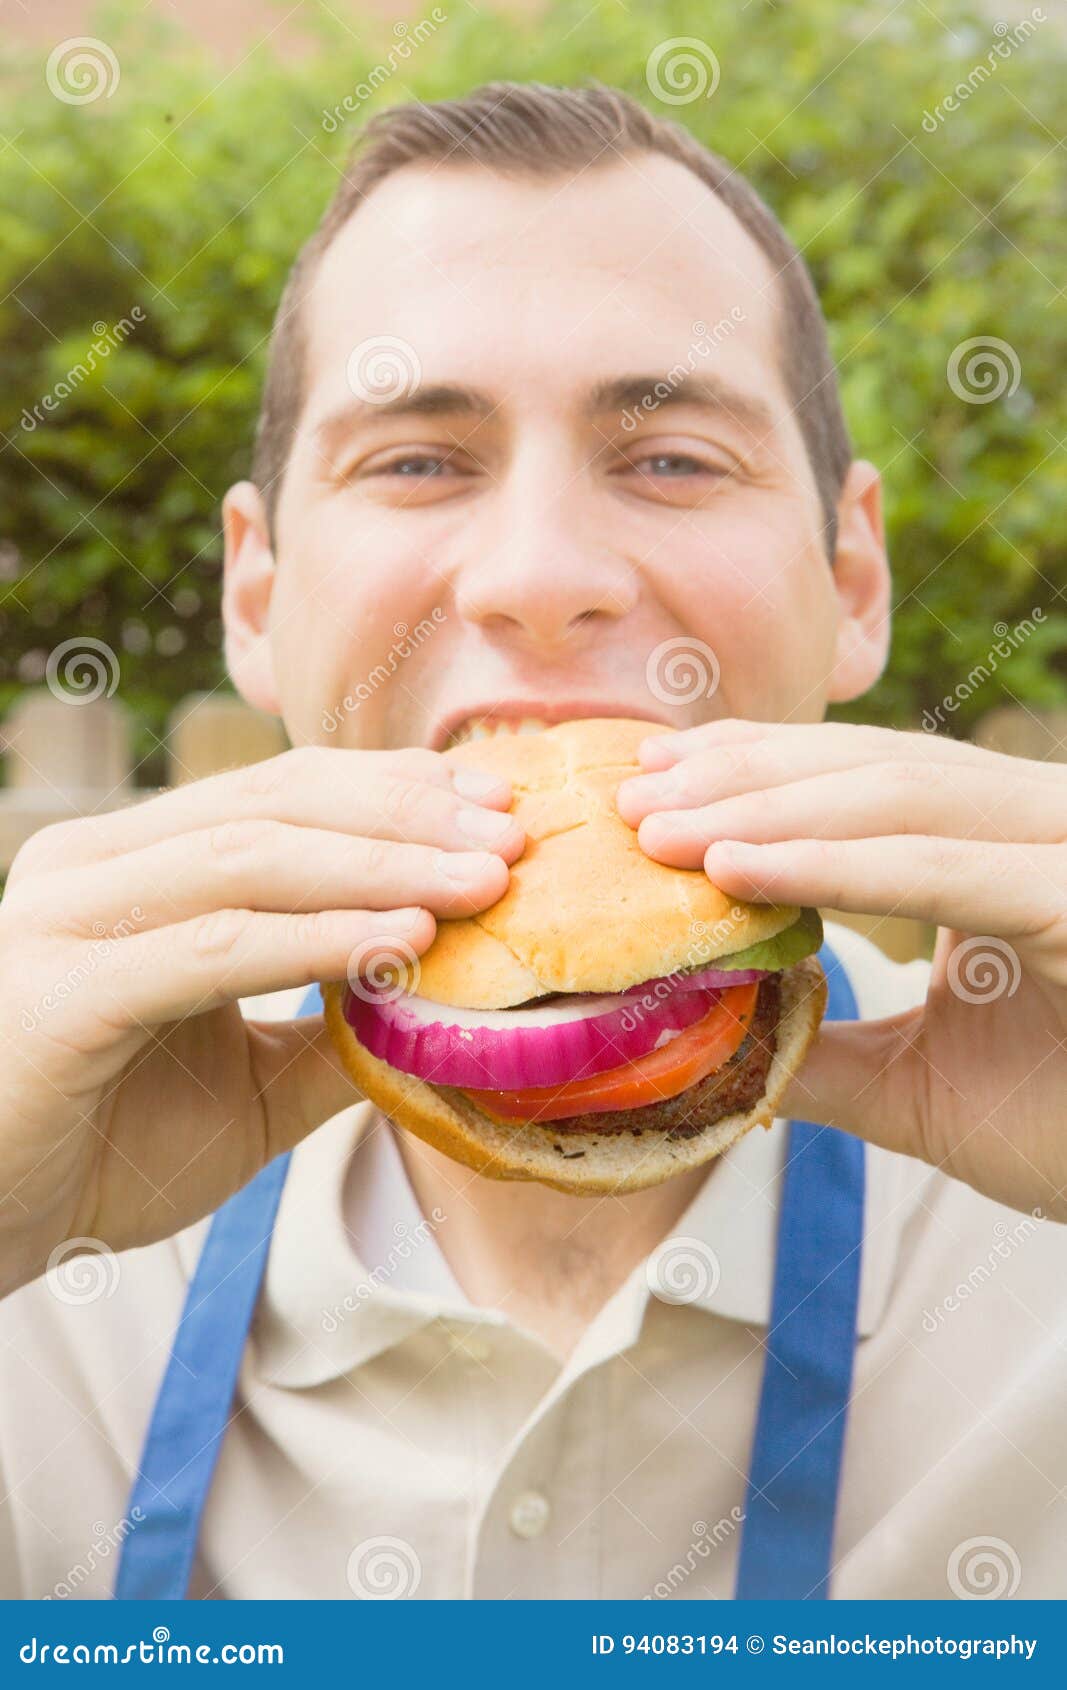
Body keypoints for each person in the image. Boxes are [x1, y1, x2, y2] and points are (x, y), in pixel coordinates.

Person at [1, 82, 1064, 1603]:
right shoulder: (44, 1244)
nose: (541, 576)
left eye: (675, 457)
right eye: (421, 460)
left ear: (851, 575)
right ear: (256, 593)